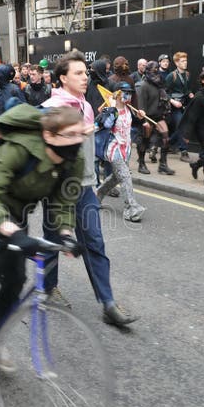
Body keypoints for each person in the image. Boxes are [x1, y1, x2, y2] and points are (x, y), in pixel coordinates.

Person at [0, 103, 86, 337]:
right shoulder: (20, 148)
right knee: (8, 241)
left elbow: (64, 200)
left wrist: (66, 234)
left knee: (16, 280)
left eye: (80, 134)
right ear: (49, 135)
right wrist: (7, 227)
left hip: (20, 208)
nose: (77, 141)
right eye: (70, 135)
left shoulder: (74, 160)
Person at [41, 50, 138, 326]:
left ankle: (108, 303)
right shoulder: (51, 107)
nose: (85, 77)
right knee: (54, 240)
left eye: (85, 72)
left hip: (85, 187)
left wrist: (98, 127)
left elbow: (85, 146)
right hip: (58, 189)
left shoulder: (84, 105)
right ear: (63, 78)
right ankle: (48, 286)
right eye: (78, 73)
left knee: (94, 242)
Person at [95, 82, 146, 221]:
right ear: (117, 94)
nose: (128, 96)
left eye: (130, 93)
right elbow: (104, 124)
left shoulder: (129, 109)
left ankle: (97, 195)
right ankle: (131, 209)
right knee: (124, 175)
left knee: (117, 177)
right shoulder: (109, 109)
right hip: (114, 147)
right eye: (125, 92)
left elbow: (133, 125)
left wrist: (140, 118)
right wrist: (111, 109)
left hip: (126, 148)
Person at [136, 60, 176, 175]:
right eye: (154, 69)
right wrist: (144, 120)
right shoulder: (143, 86)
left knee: (166, 137)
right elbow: (141, 105)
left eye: (157, 69)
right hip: (147, 117)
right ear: (148, 71)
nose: (156, 72)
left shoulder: (159, 85)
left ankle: (163, 164)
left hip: (158, 116)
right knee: (145, 141)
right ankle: (141, 164)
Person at [165, 51, 194, 162]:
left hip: (184, 104)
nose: (185, 63)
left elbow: (187, 89)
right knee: (182, 126)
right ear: (177, 63)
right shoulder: (171, 76)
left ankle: (168, 143)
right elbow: (164, 93)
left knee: (184, 126)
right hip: (174, 106)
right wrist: (172, 101)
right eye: (182, 61)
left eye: (186, 61)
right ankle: (184, 151)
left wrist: (190, 93)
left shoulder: (187, 75)